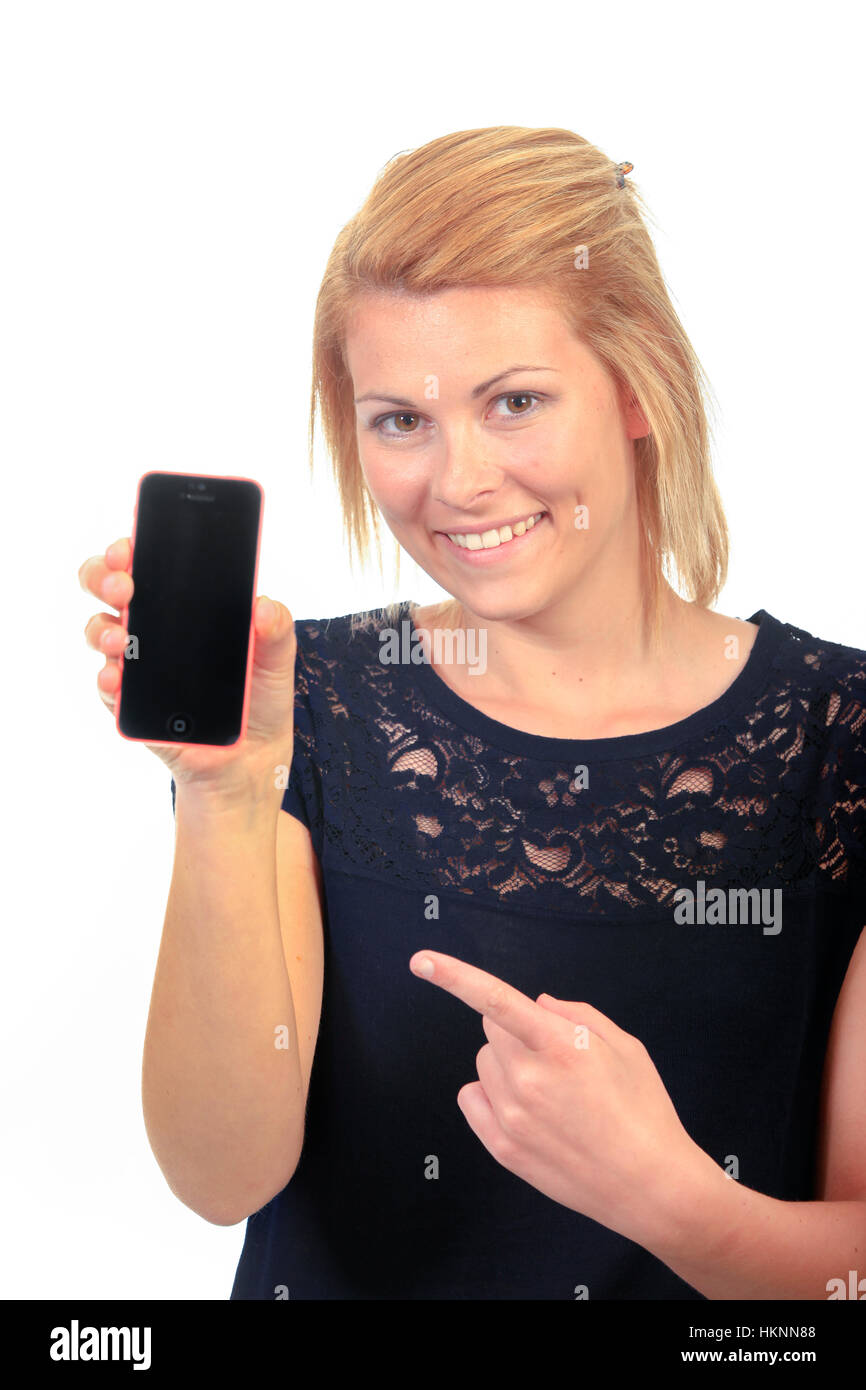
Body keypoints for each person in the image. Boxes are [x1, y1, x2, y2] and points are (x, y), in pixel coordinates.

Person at [80, 126, 866, 1300]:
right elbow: (218, 1175)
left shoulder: (834, 738)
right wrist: (224, 798)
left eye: (513, 402)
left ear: (637, 386)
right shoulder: (319, 704)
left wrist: (664, 1193)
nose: (455, 483)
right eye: (400, 419)